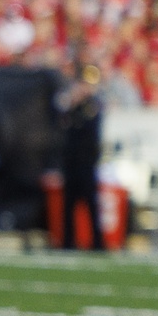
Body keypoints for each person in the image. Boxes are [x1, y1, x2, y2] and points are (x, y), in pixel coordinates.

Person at [55, 65, 105, 250]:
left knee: (91, 205)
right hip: (71, 161)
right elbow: (60, 123)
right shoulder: (71, 105)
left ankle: (97, 243)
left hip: (86, 162)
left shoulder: (92, 105)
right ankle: (68, 241)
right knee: (68, 206)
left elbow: (86, 128)